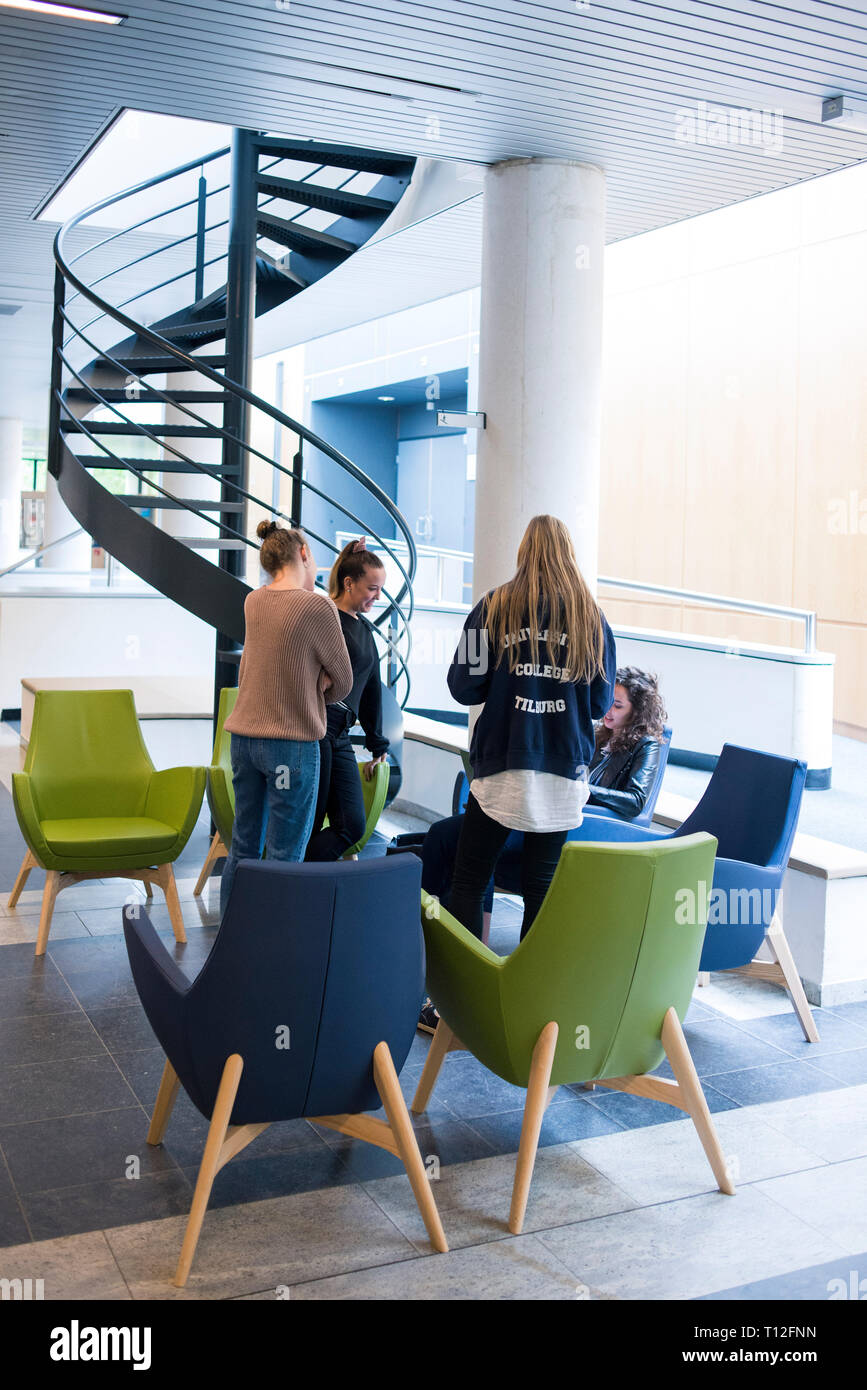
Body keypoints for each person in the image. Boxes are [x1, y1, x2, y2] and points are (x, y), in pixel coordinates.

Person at [445, 513, 616, 945]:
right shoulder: (591, 620)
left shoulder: (491, 607)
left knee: (468, 880)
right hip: (562, 771)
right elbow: (598, 703)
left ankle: (464, 995)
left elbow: (463, 686)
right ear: (569, 555)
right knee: (540, 888)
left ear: (523, 552)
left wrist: (507, 680)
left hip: (501, 762)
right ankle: (532, 1002)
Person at [219, 521, 353, 914]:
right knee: (284, 855)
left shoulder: (253, 601)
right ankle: (274, 948)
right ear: (305, 555)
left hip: (243, 742)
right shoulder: (317, 606)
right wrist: (314, 688)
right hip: (289, 748)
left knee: (243, 847)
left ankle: (234, 939)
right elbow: (343, 682)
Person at [305, 537, 390, 861]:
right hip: (316, 726)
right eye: (372, 588)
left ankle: (296, 875)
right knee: (310, 822)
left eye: (380, 589)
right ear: (349, 582)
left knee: (352, 826)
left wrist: (377, 744)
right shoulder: (324, 617)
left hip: (340, 734)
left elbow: (371, 689)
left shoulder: (364, 630)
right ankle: (293, 887)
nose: (378, 596)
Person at [586, 667, 667, 817]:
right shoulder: (598, 733)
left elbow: (636, 801)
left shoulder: (647, 745)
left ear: (637, 711)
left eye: (617, 705)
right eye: (607, 701)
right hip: (583, 812)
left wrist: (582, 790)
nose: (608, 710)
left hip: (602, 821)